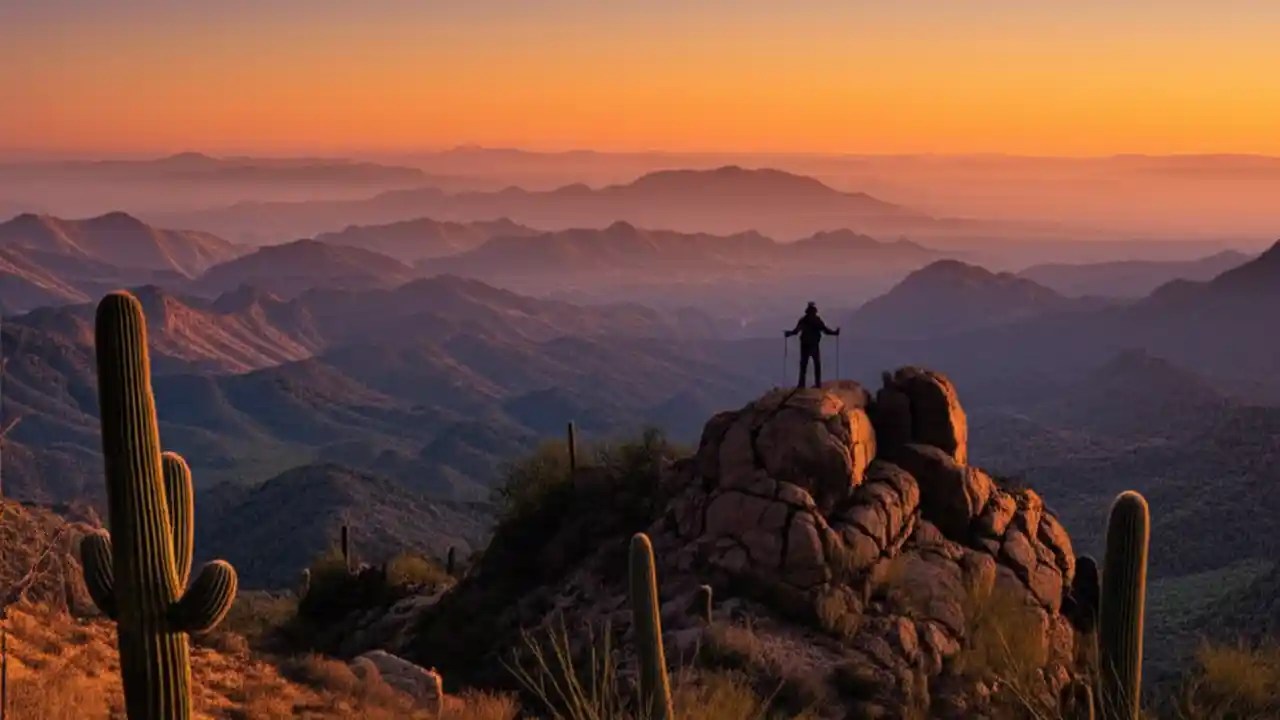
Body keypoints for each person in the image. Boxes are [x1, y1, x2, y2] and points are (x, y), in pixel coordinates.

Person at [784, 301, 840, 388]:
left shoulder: (804, 320)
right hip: (813, 345)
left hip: (805, 345)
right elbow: (825, 330)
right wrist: (834, 333)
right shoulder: (816, 320)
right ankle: (817, 384)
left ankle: (801, 384)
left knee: (804, 365)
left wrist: (789, 333)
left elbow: (796, 331)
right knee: (816, 365)